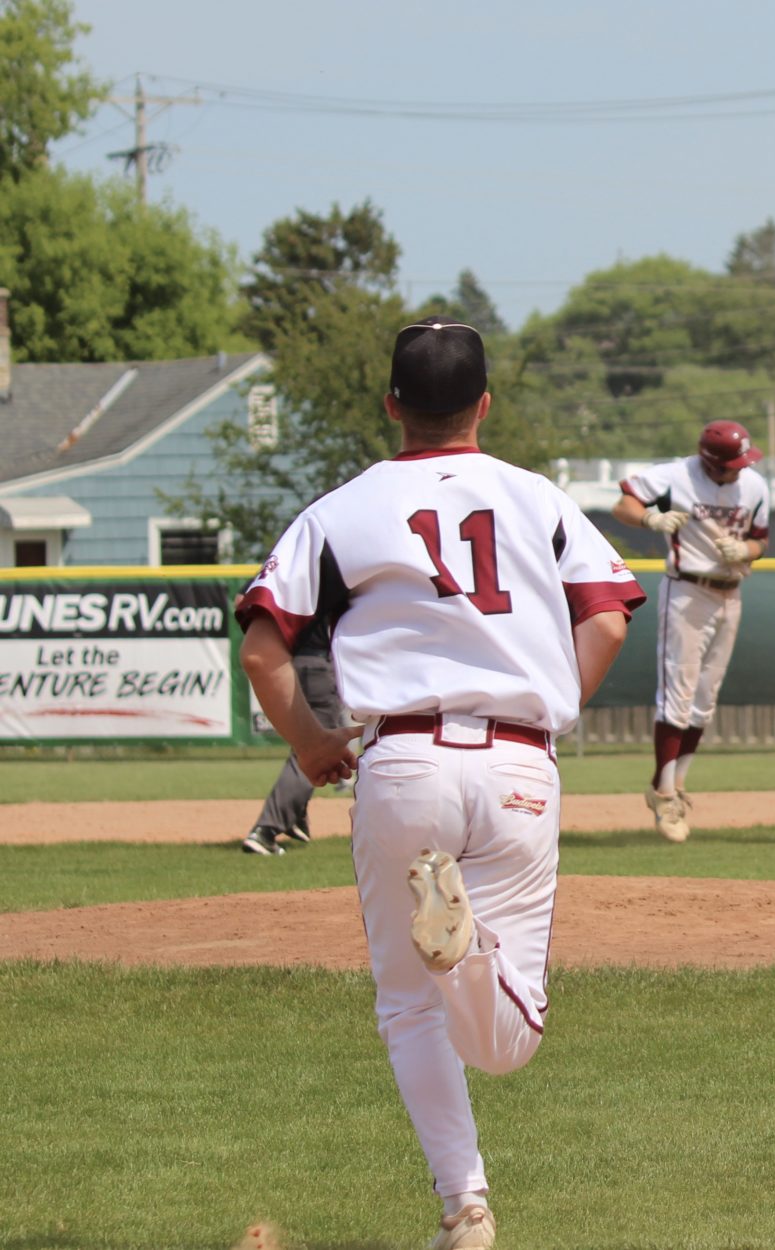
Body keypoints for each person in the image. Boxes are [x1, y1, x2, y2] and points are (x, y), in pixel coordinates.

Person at [235, 321, 645, 1249]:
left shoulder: (340, 508)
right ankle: (463, 954)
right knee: (507, 1043)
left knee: (405, 1003)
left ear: (390, 405)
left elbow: (265, 648)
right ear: (485, 404)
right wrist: (547, 709)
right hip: (518, 763)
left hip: (400, 759)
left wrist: (308, 746)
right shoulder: (535, 496)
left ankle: (465, 1210)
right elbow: (610, 621)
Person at [611, 421, 771, 842]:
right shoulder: (675, 475)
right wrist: (650, 518)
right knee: (678, 694)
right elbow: (622, 504)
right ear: (710, 462)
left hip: (731, 592)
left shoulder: (753, 485)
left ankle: (676, 783)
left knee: (705, 700)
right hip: (687, 591)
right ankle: (664, 794)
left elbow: (760, 539)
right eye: (731, 464)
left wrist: (746, 550)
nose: (739, 470)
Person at [238, 619, 347, 855]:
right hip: (317, 663)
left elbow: (241, 600)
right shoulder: (328, 581)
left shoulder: (277, 581)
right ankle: (265, 830)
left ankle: (296, 815)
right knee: (317, 749)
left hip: (285, 662)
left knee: (305, 742)